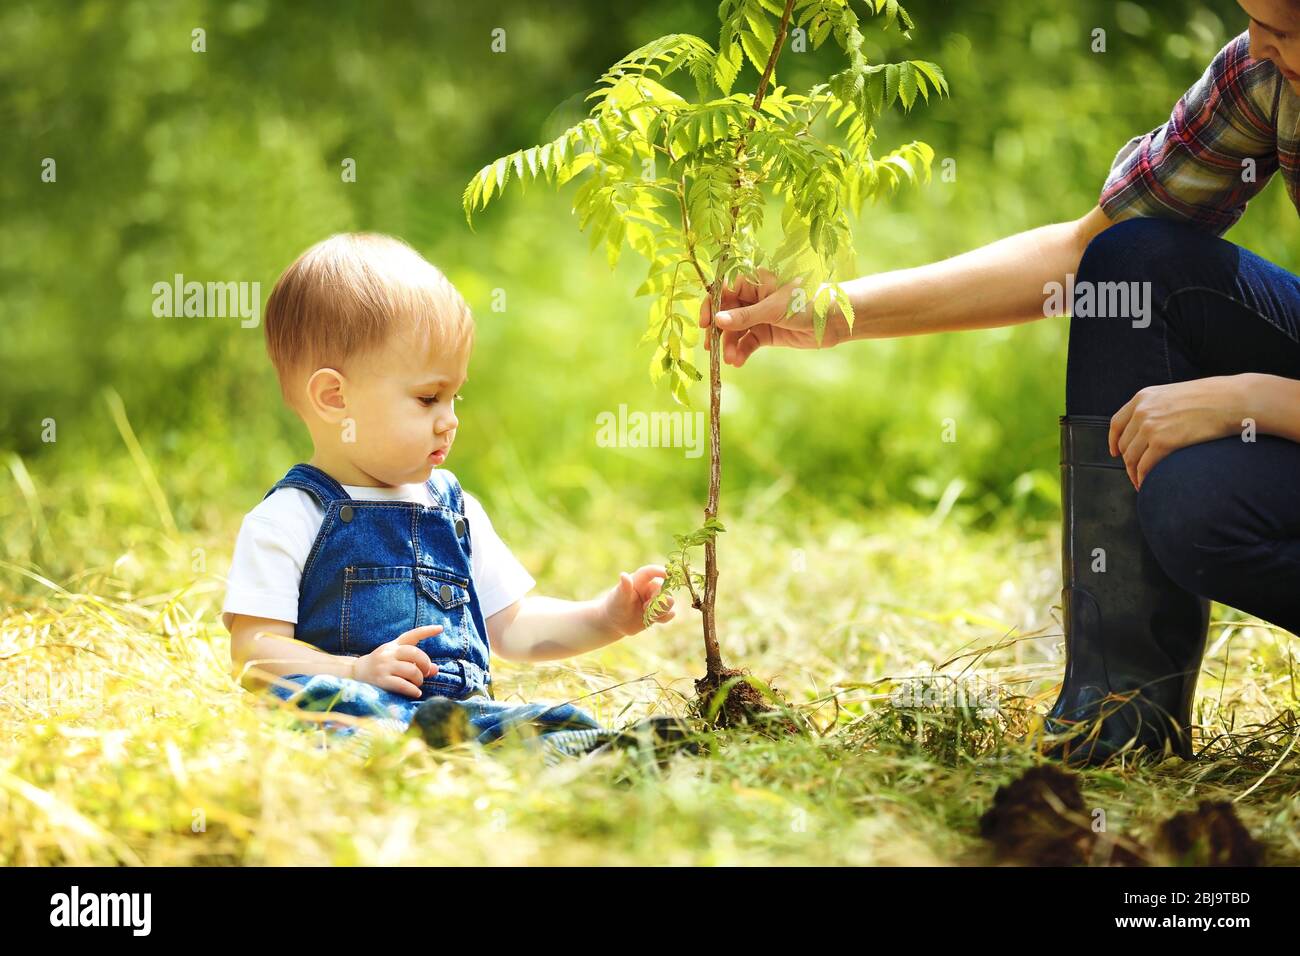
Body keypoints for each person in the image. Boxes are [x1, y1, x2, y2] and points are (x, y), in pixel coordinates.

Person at [699, 10, 1300, 765]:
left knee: (1198, 508)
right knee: (1134, 262)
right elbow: (1083, 252)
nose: (1267, 44)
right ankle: (1115, 715)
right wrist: (828, 310)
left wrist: (1255, 400)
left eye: (1289, 23)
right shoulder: (1265, 72)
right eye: (1256, 18)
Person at [223, 232, 688, 763]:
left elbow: (512, 627)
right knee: (341, 713)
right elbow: (254, 653)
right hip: (354, 710)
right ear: (335, 398)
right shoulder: (291, 516)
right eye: (428, 398)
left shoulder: (453, 508)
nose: (450, 420)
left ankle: (599, 756)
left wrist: (607, 617)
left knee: (546, 720)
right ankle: (424, 748)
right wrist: (354, 670)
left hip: (461, 711)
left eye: (454, 396)